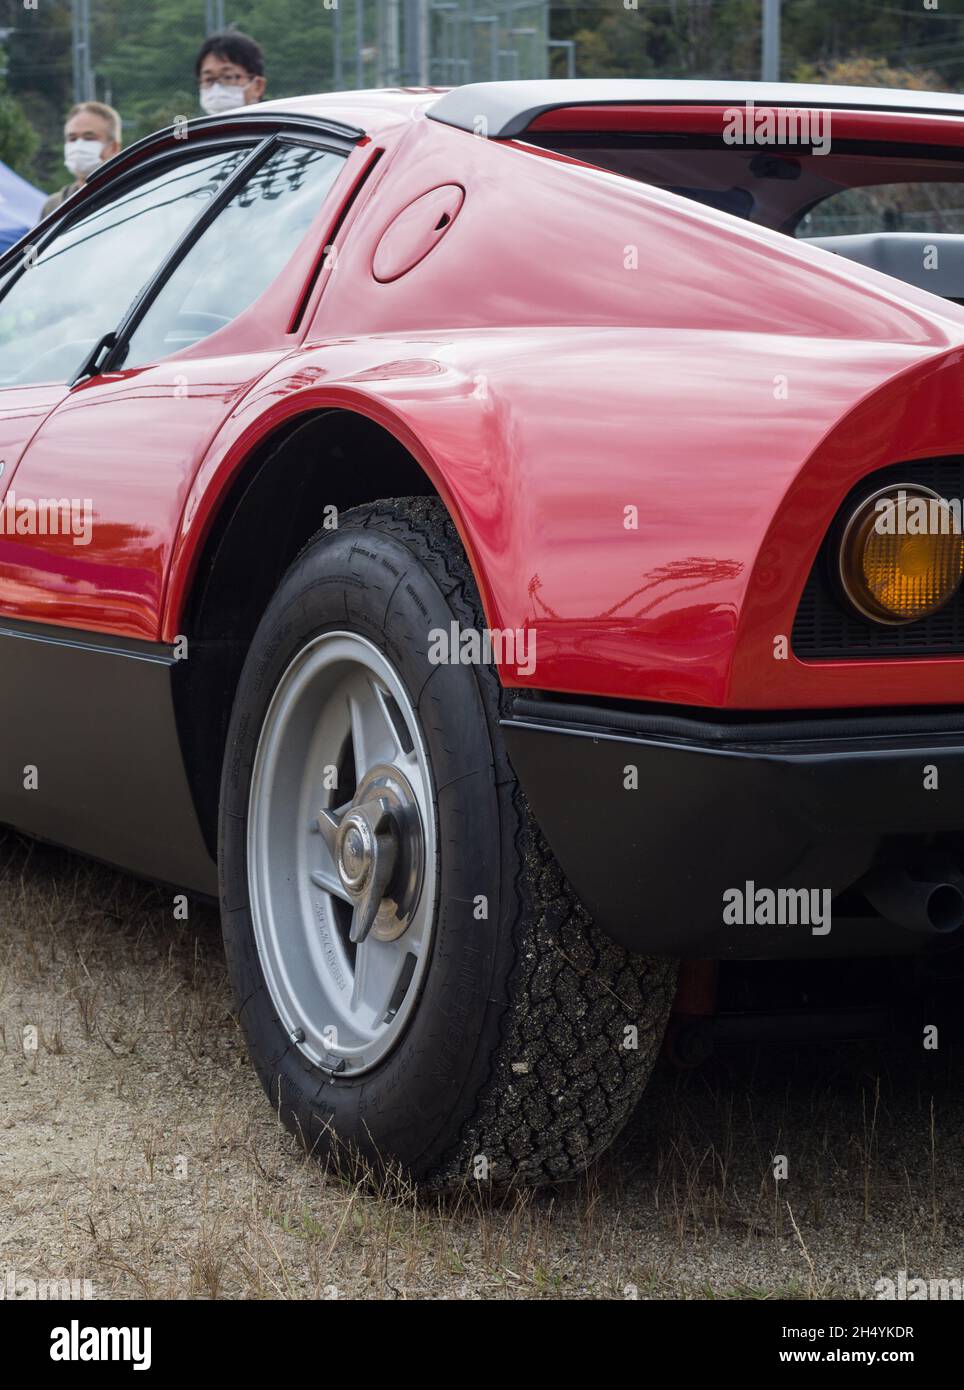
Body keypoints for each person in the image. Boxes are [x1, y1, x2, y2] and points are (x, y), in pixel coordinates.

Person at [39, 102, 122, 220]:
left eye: (89, 138)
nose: (78, 145)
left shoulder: (129, 195)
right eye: (72, 138)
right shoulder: (54, 206)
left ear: (113, 147)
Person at [196, 30, 265, 116]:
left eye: (228, 77)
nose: (216, 89)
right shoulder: (196, 128)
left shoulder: (280, 125)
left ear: (258, 86)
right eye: (209, 79)